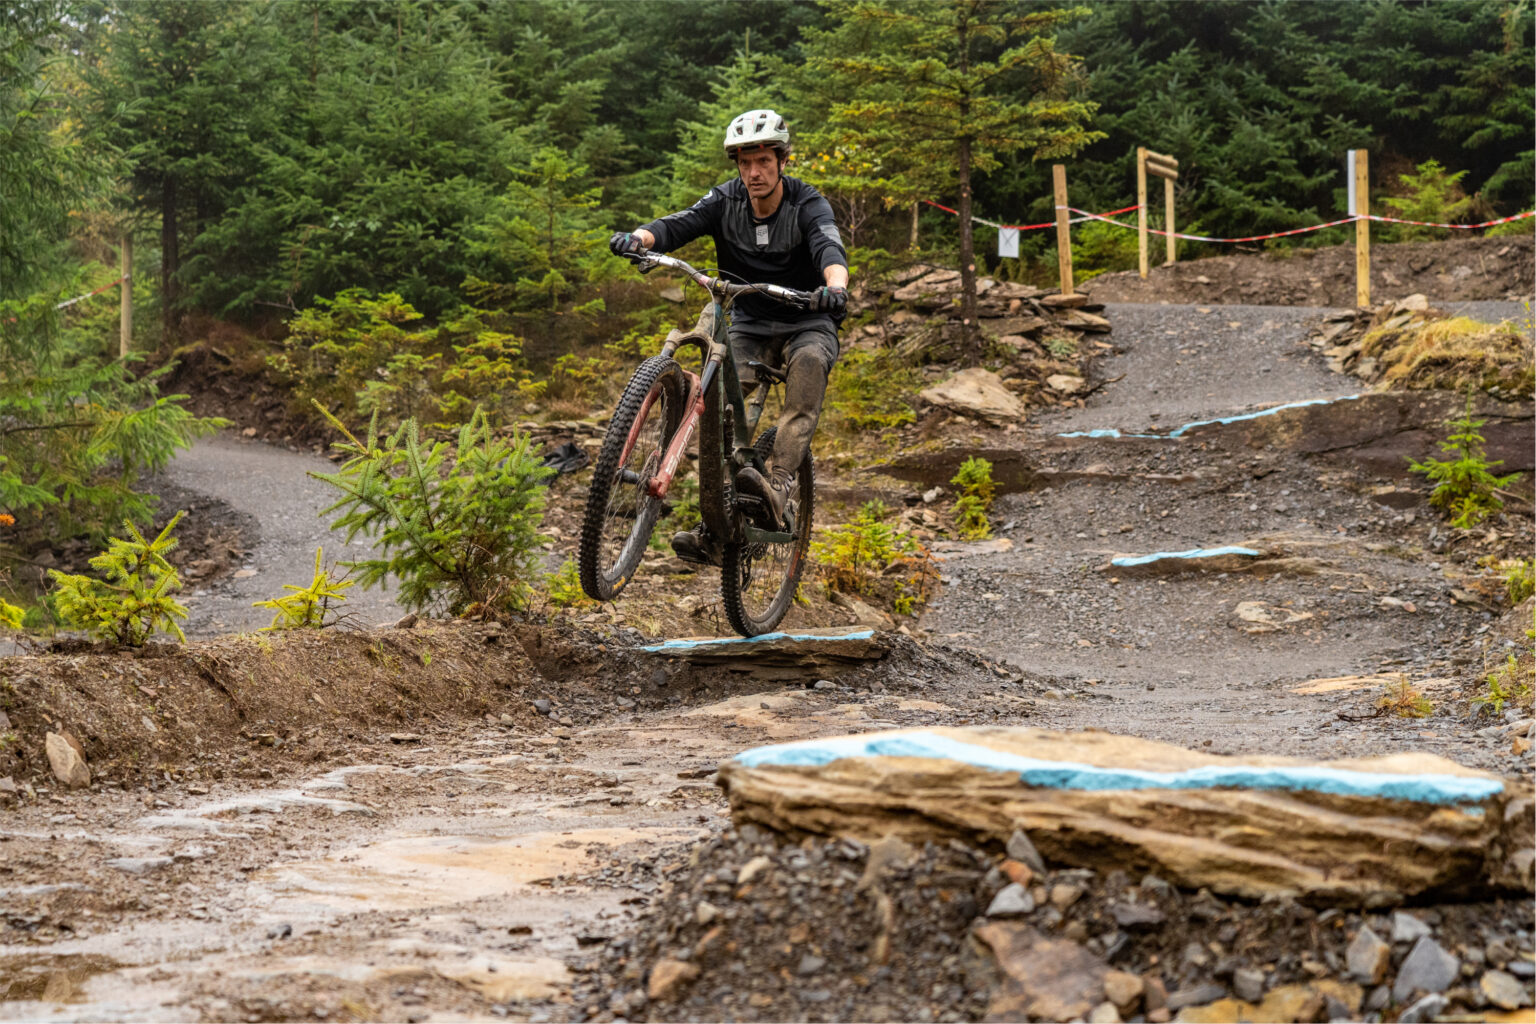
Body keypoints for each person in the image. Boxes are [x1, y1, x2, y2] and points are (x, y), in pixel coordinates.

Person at [609, 108, 850, 566]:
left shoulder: (807, 203)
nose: (753, 172)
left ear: (782, 160)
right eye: (744, 163)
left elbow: (829, 246)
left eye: (762, 161)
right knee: (714, 402)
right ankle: (716, 521)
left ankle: (779, 486)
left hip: (807, 319)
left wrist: (834, 288)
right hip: (750, 322)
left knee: (810, 367)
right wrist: (639, 238)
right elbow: (678, 223)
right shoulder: (726, 201)